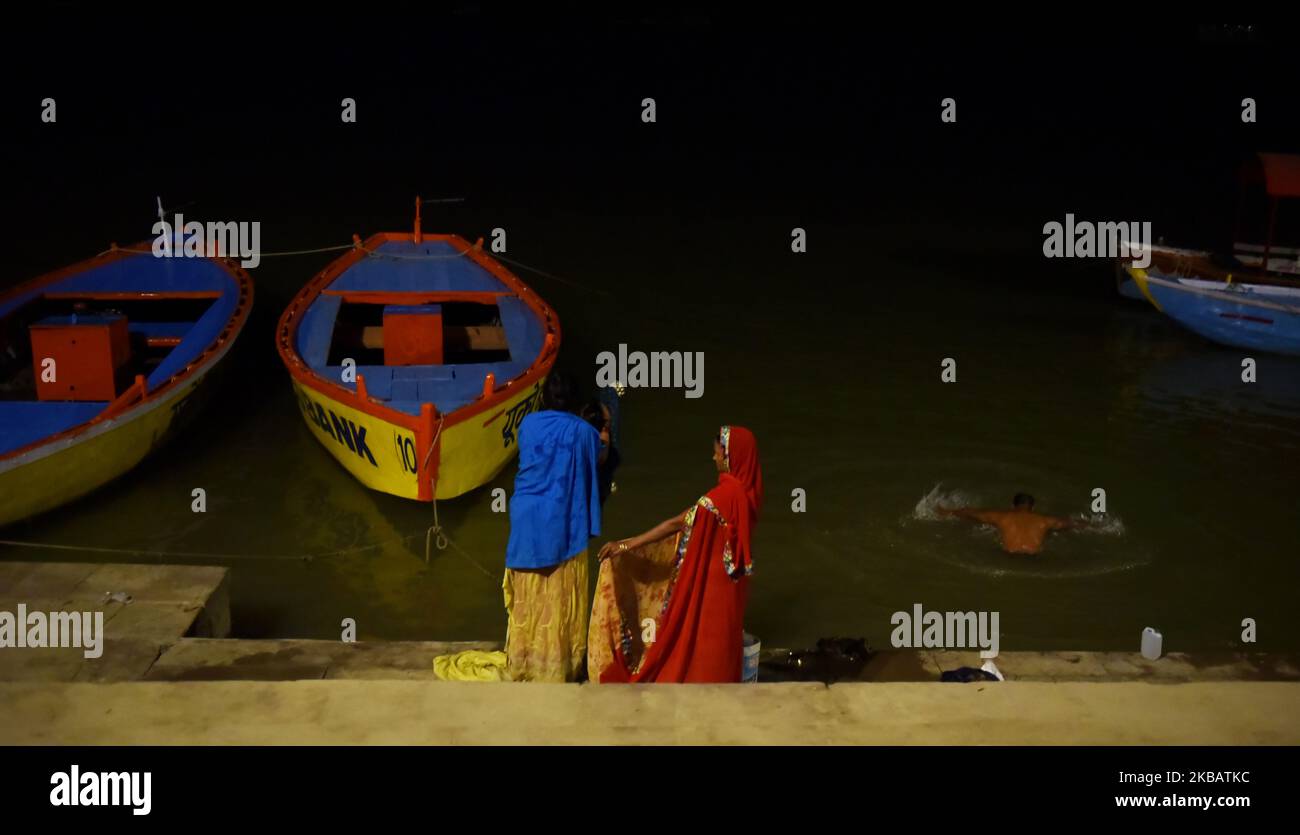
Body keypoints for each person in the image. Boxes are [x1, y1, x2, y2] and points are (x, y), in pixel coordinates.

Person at [433, 372, 602, 682]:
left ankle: (525, 660)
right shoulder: (584, 433)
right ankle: (558, 664)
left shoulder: (528, 426)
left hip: (528, 517)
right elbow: (593, 467)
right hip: (562, 521)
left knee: (529, 593)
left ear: (545, 398)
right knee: (560, 595)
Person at [588, 425, 762, 683]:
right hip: (734, 581)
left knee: (704, 636)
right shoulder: (749, 495)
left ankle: (702, 681)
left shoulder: (719, 498)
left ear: (729, 456)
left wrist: (628, 545)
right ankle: (724, 682)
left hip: (711, 583)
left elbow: (675, 524)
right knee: (726, 634)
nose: (713, 458)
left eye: (717, 453)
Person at [939, 493, 1085, 555]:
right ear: (1033, 507)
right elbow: (1072, 523)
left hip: (1007, 556)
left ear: (1012, 505)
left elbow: (970, 513)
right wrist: (1094, 525)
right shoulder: (1045, 520)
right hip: (1035, 558)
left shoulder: (1001, 517)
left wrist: (947, 512)